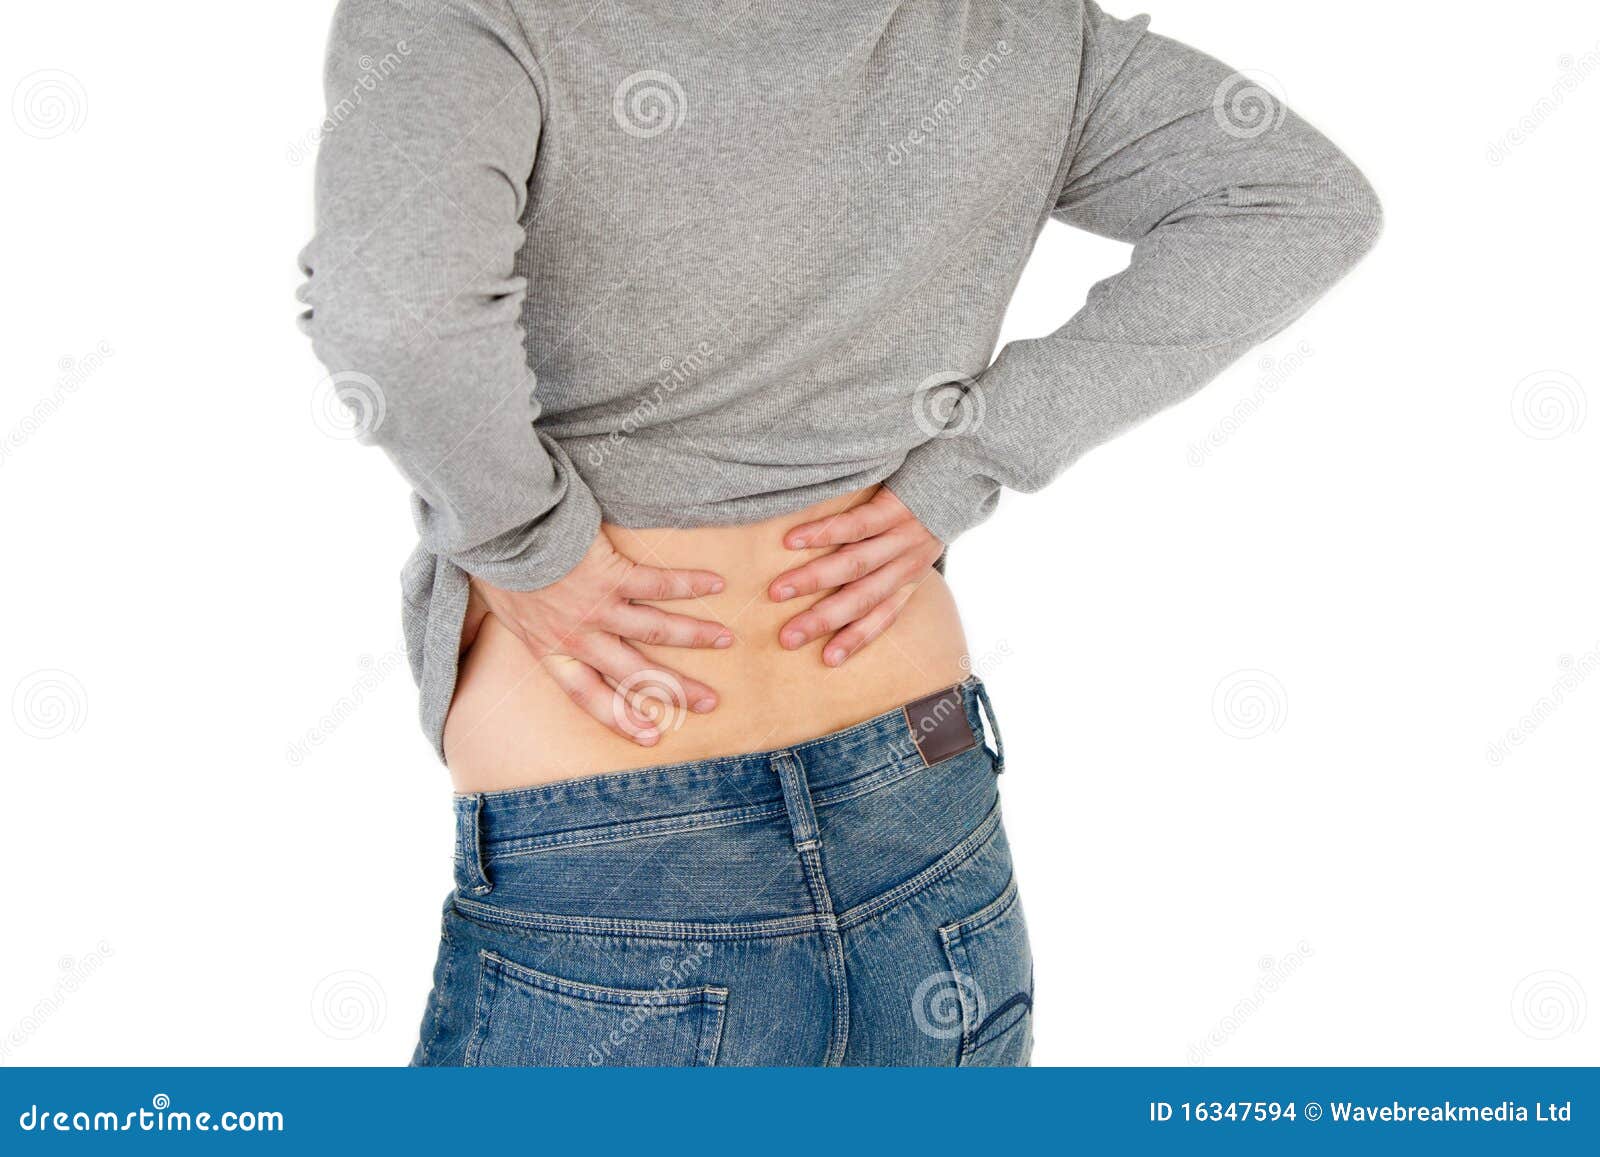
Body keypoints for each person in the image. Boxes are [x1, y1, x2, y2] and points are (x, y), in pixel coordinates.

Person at [298, 0, 1380, 1066]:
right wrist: (962, 462)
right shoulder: (1013, 30)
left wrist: (529, 539)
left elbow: (399, 322)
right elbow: (1294, 199)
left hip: (619, 843)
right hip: (926, 813)